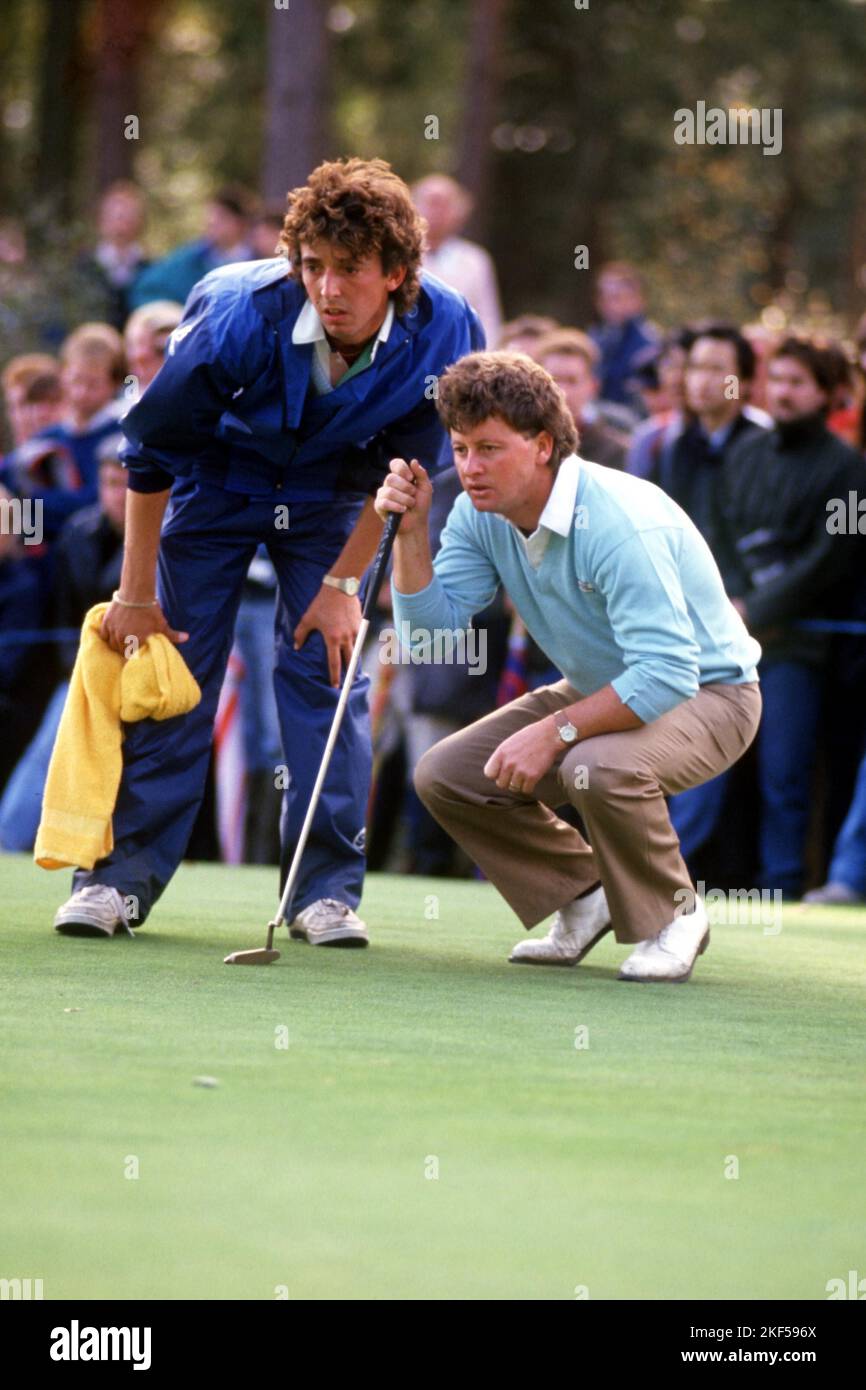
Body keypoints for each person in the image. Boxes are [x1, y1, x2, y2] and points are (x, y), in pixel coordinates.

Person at [52, 156, 484, 946]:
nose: (328, 289)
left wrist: (342, 586)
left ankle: (324, 895)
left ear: (396, 272)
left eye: (351, 270)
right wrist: (135, 592)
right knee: (172, 676)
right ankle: (116, 883)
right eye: (313, 267)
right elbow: (148, 458)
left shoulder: (447, 329)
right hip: (213, 488)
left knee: (327, 670)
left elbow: (404, 472)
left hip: (332, 500)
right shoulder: (236, 315)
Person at [374, 351, 762, 984]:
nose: (470, 468)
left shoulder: (617, 522)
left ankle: (676, 915)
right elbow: (429, 639)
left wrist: (556, 731)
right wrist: (413, 534)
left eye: (490, 449)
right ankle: (582, 897)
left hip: (713, 696)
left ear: (543, 445)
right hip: (606, 690)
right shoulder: (478, 512)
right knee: (448, 774)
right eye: (462, 448)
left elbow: (667, 672)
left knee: (593, 766)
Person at [710, 337, 865, 899]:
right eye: (776, 379)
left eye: (798, 382)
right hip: (729, 640)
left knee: (784, 774)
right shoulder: (744, 453)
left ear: (826, 393)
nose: (783, 392)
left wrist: (756, 608)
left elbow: (830, 560)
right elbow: (719, 533)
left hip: (796, 649)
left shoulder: (848, 469)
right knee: (711, 770)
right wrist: (729, 600)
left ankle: (780, 885)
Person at [129, 185, 257, 311]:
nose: (212, 222)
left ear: (240, 223)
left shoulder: (259, 259)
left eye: (221, 217)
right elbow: (147, 286)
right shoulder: (190, 259)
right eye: (210, 215)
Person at [412, 175, 503, 347]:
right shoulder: (398, 256)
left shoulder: (475, 260)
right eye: (432, 203)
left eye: (445, 205)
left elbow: (488, 319)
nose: (438, 212)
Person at [533, 328, 630, 469]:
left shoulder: (616, 452)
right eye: (554, 379)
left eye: (572, 381)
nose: (562, 391)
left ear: (593, 386)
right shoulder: (522, 447)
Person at [588, 261, 659, 411]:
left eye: (617, 297)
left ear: (637, 300)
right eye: (604, 298)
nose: (608, 305)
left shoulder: (649, 343)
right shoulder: (595, 338)